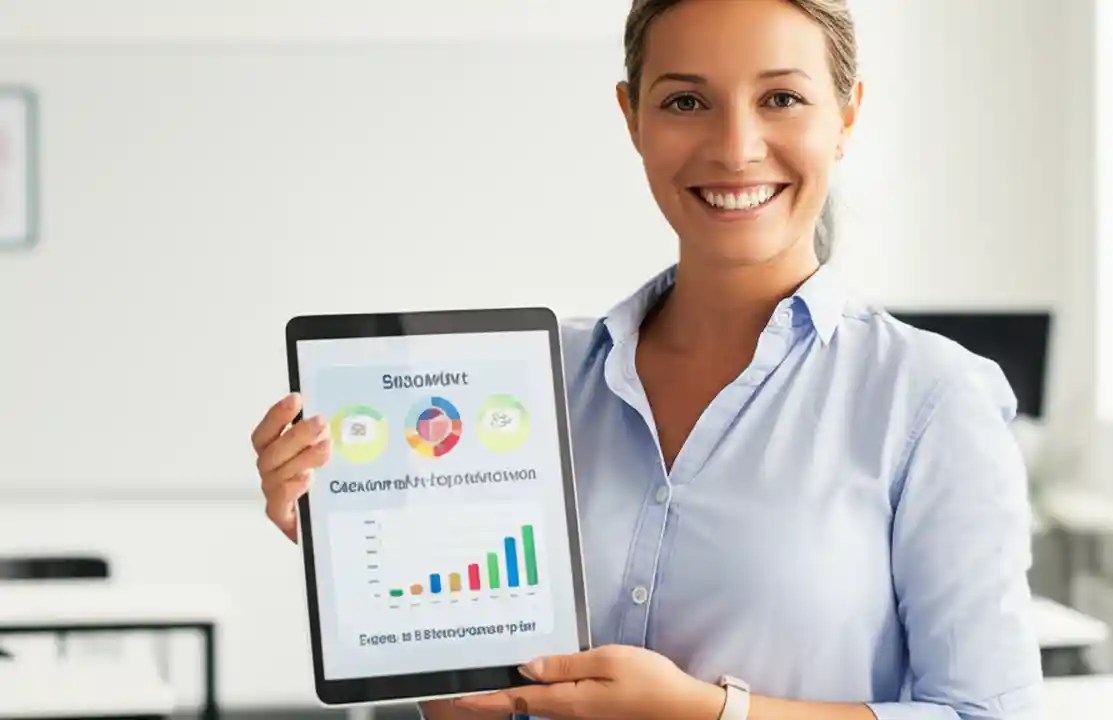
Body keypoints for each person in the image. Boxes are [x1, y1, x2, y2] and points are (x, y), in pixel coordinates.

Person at [252, 1, 1043, 718]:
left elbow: (990, 715)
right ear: (633, 118)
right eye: (686, 101)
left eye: (782, 98)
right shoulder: (529, 380)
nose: (736, 148)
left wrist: (710, 715)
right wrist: (358, 547)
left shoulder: (933, 401)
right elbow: (474, 696)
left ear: (846, 115)